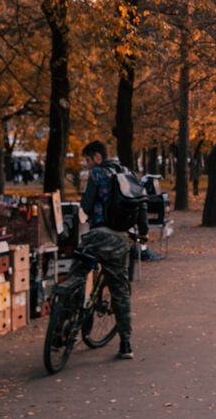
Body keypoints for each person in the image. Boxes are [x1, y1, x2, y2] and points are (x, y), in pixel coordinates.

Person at [77, 140, 147, 360]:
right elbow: (141, 203)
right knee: (120, 291)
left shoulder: (97, 175)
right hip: (119, 239)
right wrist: (143, 232)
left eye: (87, 160)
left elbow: (86, 206)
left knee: (76, 275)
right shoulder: (129, 174)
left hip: (97, 235)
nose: (87, 165)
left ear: (97, 157)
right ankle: (125, 344)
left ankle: (65, 323)